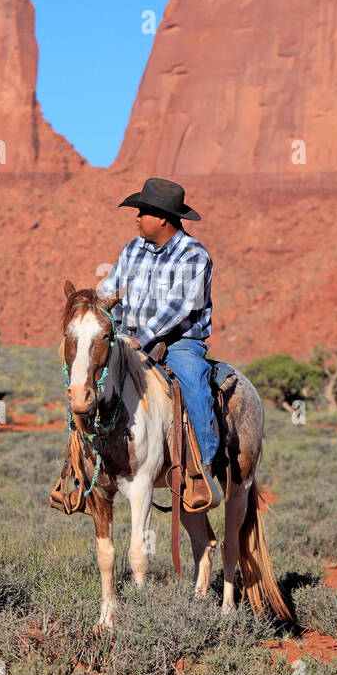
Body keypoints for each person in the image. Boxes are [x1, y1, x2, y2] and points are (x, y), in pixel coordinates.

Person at [99, 177, 223, 506]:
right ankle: (83, 466)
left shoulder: (194, 255)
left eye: (142, 211)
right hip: (131, 337)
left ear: (163, 218)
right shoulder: (132, 248)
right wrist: (95, 311)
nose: (136, 217)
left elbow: (180, 306)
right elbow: (111, 291)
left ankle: (202, 471)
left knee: (194, 384)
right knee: (91, 378)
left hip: (181, 340)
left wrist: (139, 339)